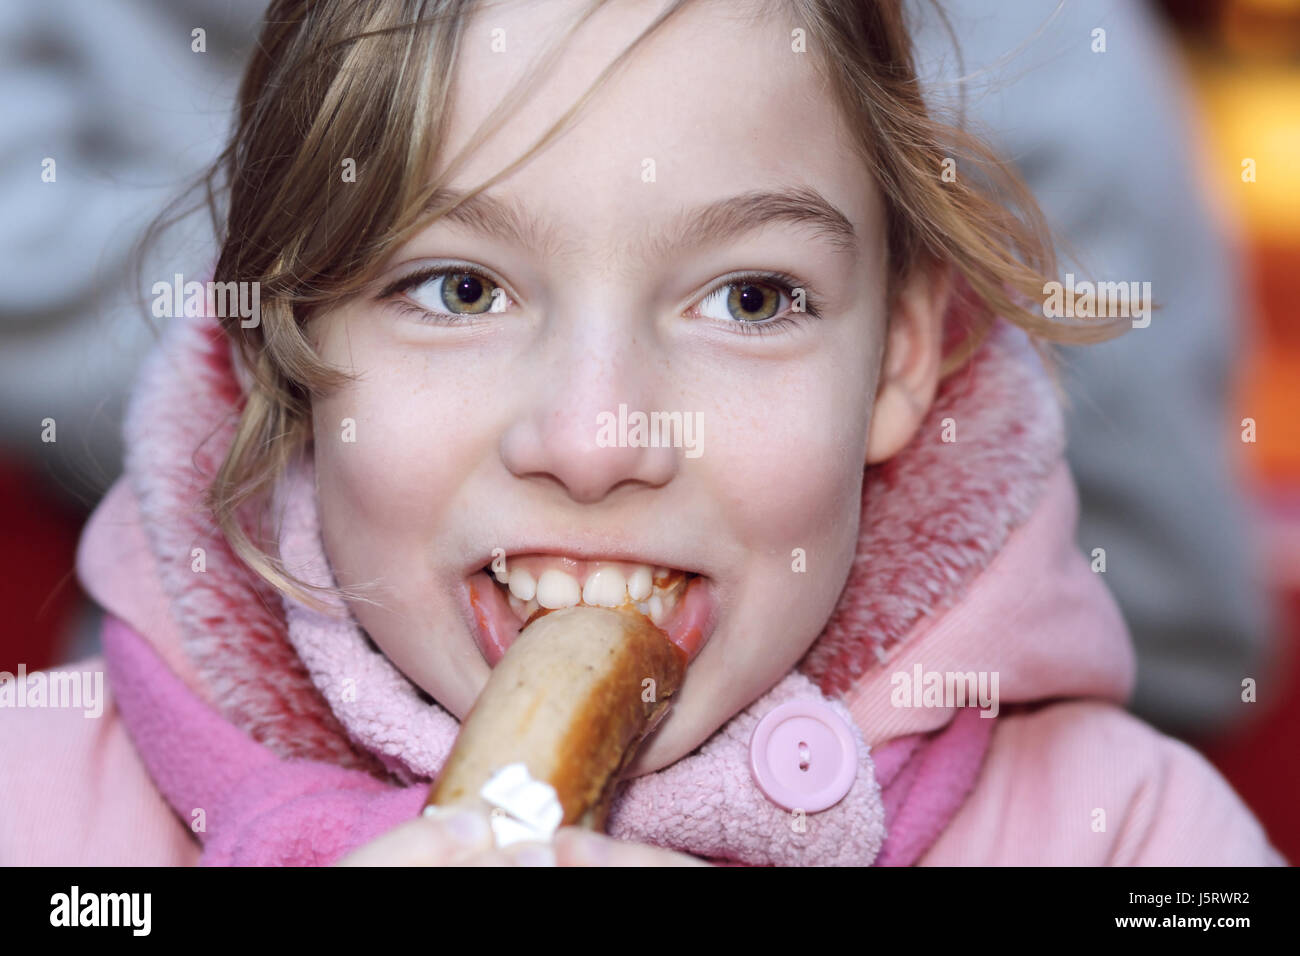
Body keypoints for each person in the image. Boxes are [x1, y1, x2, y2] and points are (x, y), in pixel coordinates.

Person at [0, 0, 1282, 866]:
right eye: (458, 288)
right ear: (286, 343)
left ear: (897, 356)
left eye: (749, 298)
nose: (600, 436)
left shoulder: (1133, 833)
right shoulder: (45, 806)